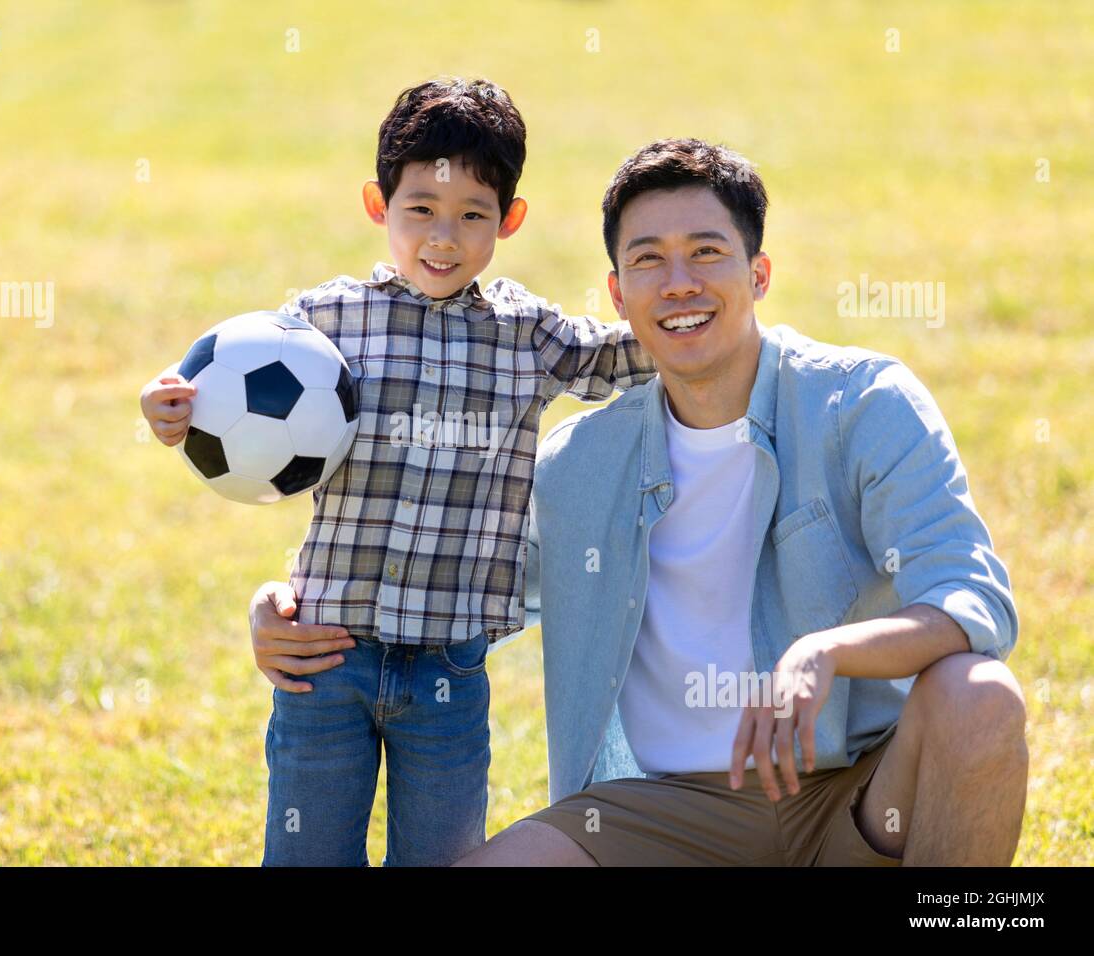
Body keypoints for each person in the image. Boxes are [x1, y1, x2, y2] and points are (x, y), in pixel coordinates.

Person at [450, 138, 1027, 865]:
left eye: (707, 252)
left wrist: (826, 652)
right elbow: (462, 597)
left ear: (758, 275)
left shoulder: (864, 403)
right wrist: (294, 606)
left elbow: (973, 598)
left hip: (858, 799)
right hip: (661, 815)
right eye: (649, 259)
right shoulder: (578, 466)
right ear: (618, 293)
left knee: (980, 696)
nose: (679, 283)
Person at [139, 78, 656, 866]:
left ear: (509, 220)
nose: (443, 238)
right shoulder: (323, 322)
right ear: (378, 205)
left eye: (472, 216)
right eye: (421, 210)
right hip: (325, 656)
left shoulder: (527, 334)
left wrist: (702, 315)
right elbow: (214, 387)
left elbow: (628, 355)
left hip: (450, 673)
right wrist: (167, 406)